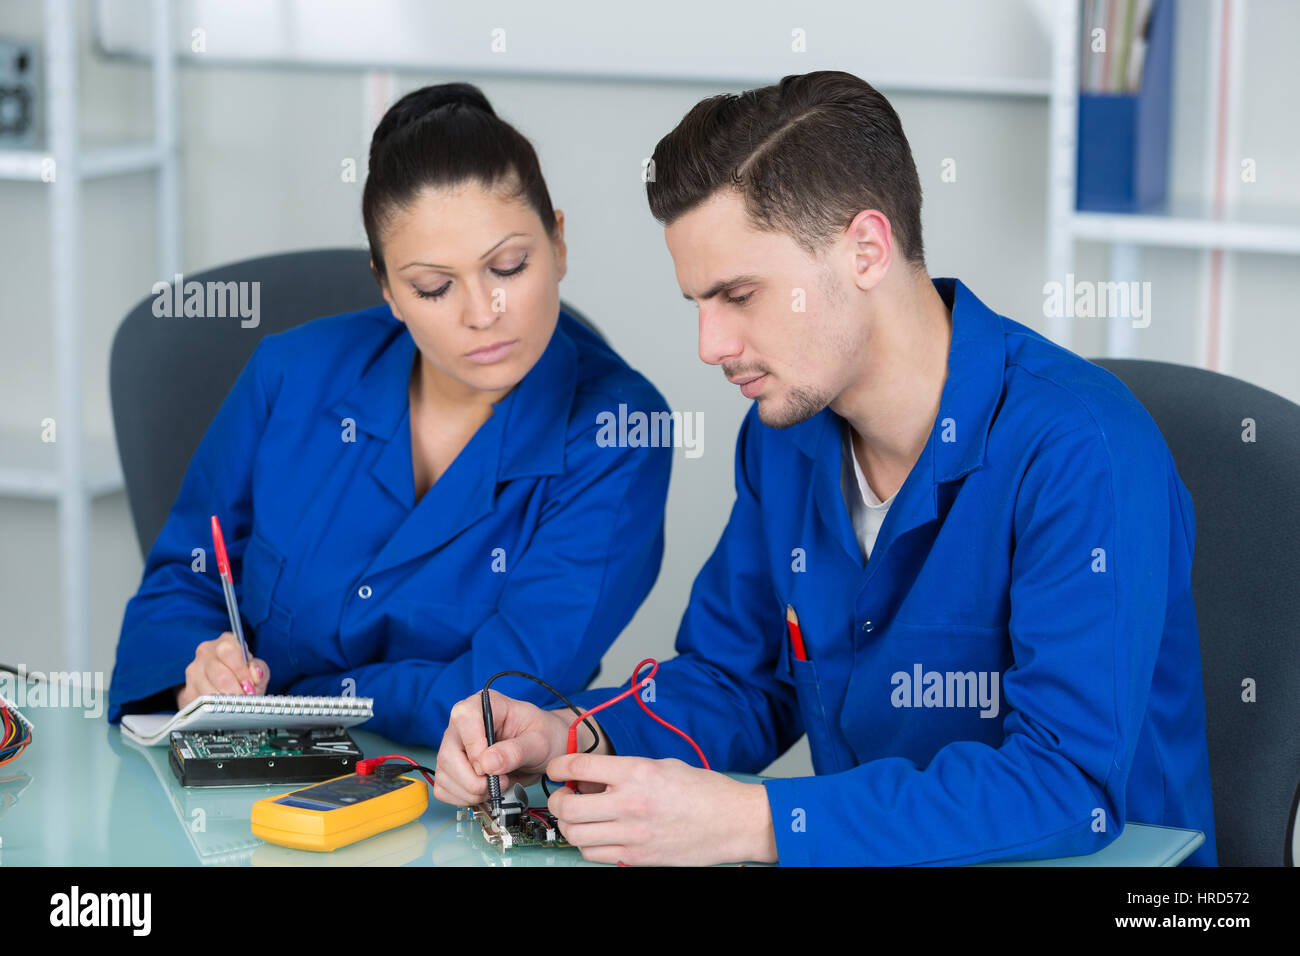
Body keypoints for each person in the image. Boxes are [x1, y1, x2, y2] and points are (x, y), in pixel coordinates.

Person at [432, 71, 1218, 866]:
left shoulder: (1082, 451)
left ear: (866, 250)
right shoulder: (785, 437)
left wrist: (756, 821)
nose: (710, 346)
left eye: (739, 295)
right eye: (698, 303)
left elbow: (1066, 786)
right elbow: (739, 679)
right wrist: (575, 730)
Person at [106, 83, 673, 747]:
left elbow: (500, 699)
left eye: (510, 266)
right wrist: (197, 674)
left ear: (560, 243)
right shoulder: (290, 374)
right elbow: (186, 575)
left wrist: (294, 700)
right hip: (240, 785)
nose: (481, 312)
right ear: (388, 289)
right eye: (433, 287)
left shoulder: (622, 435)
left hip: (455, 805)